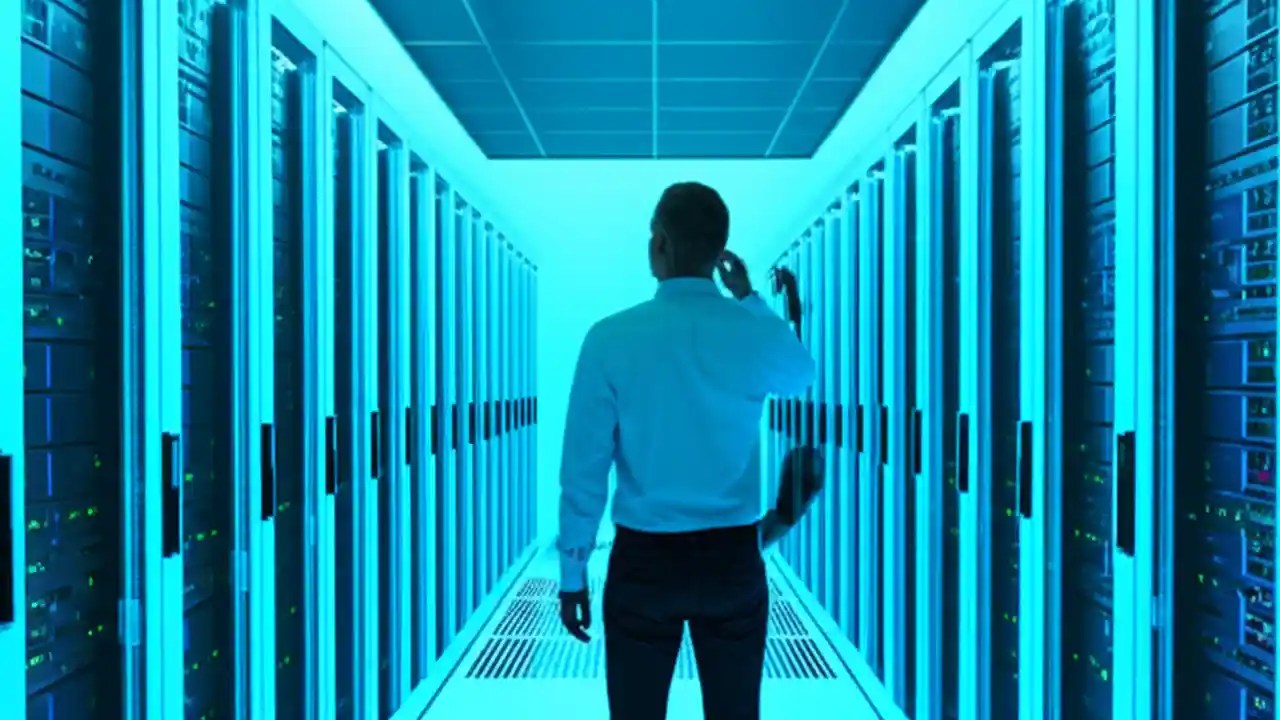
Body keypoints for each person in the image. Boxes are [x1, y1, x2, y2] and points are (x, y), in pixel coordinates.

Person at [555, 181, 815, 719]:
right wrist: (747, 297)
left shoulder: (609, 338)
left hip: (645, 564)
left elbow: (584, 471)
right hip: (732, 563)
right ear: (721, 254)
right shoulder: (748, 332)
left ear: (661, 245)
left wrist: (572, 574)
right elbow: (799, 372)